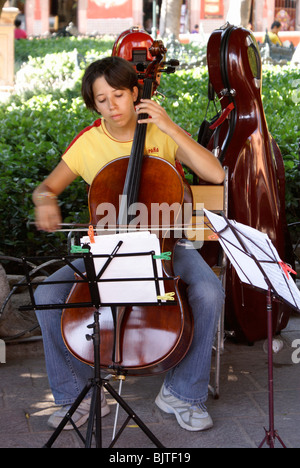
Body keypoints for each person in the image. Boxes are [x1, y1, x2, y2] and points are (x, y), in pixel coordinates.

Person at [33, 56, 225, 432]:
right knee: (46, 295)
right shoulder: (88, 144)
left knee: (209, 292)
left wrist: (169, 126)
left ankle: (182, 393)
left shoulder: (159, 132)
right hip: (107, 249)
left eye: (118, 95)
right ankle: (78, 395)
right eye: (101, 100)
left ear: (136, 92)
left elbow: (214, 174)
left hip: (166, 247)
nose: (111, 107)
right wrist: (44, 201)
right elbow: (46, 187)